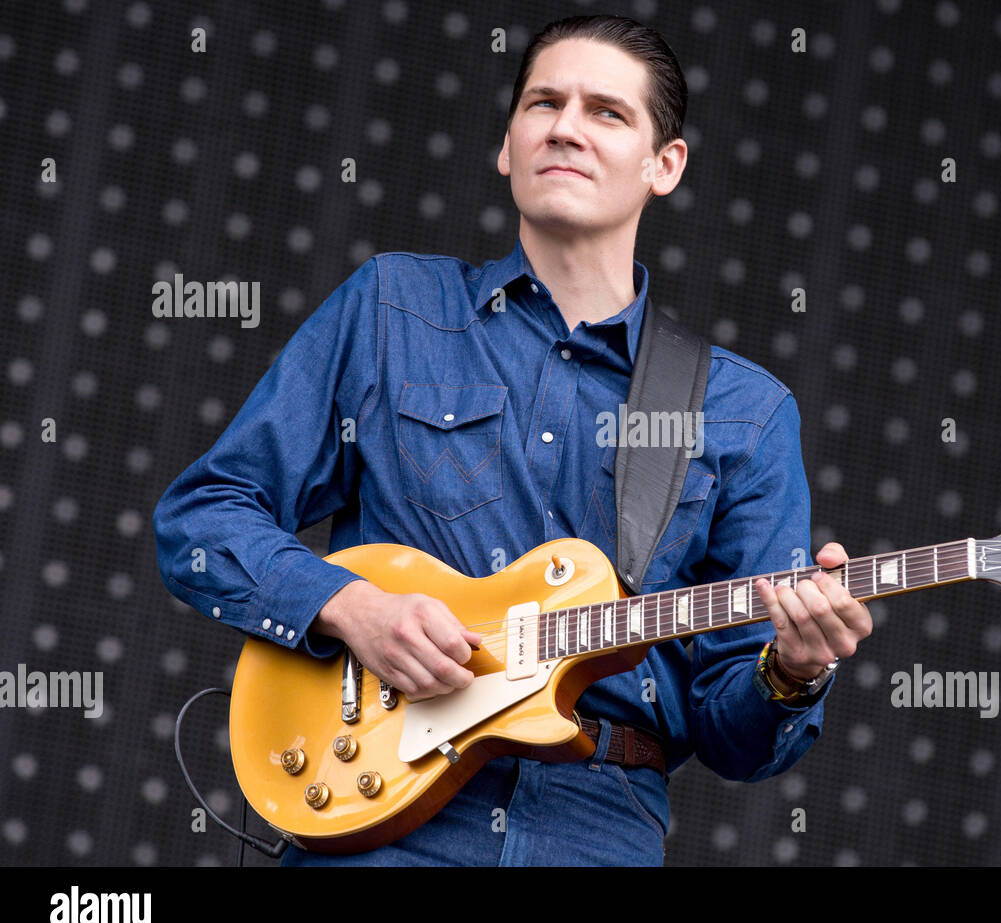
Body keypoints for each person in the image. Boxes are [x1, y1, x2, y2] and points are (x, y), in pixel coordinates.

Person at [153, 14, 873, 866]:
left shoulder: (744, 411)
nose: (566, 125)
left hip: (597, 827)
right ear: (507, 147)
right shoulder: (393, 309)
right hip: (383, 821)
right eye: (544, 103)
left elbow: (736, 739)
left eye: (607, 112)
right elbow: (202, 516)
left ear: (664, 166)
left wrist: (792, 670)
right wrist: (350, 608)